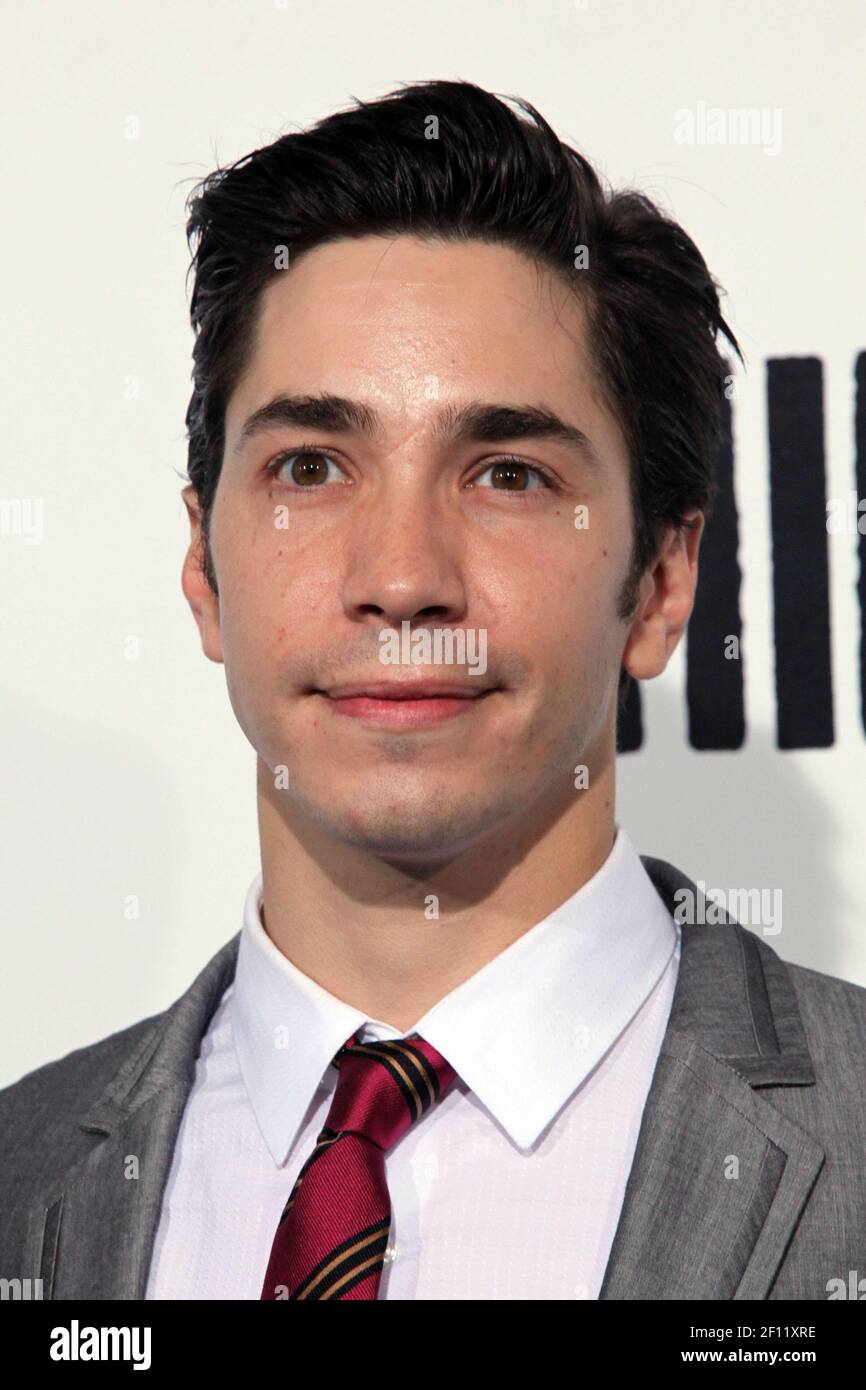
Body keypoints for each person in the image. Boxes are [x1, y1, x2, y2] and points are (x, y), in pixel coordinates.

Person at [1, 79, 863, 1302]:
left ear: (663, 580)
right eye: (311, 465)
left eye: (505, 474)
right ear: (203, 564)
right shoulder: (20, 1171)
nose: (401, 577)